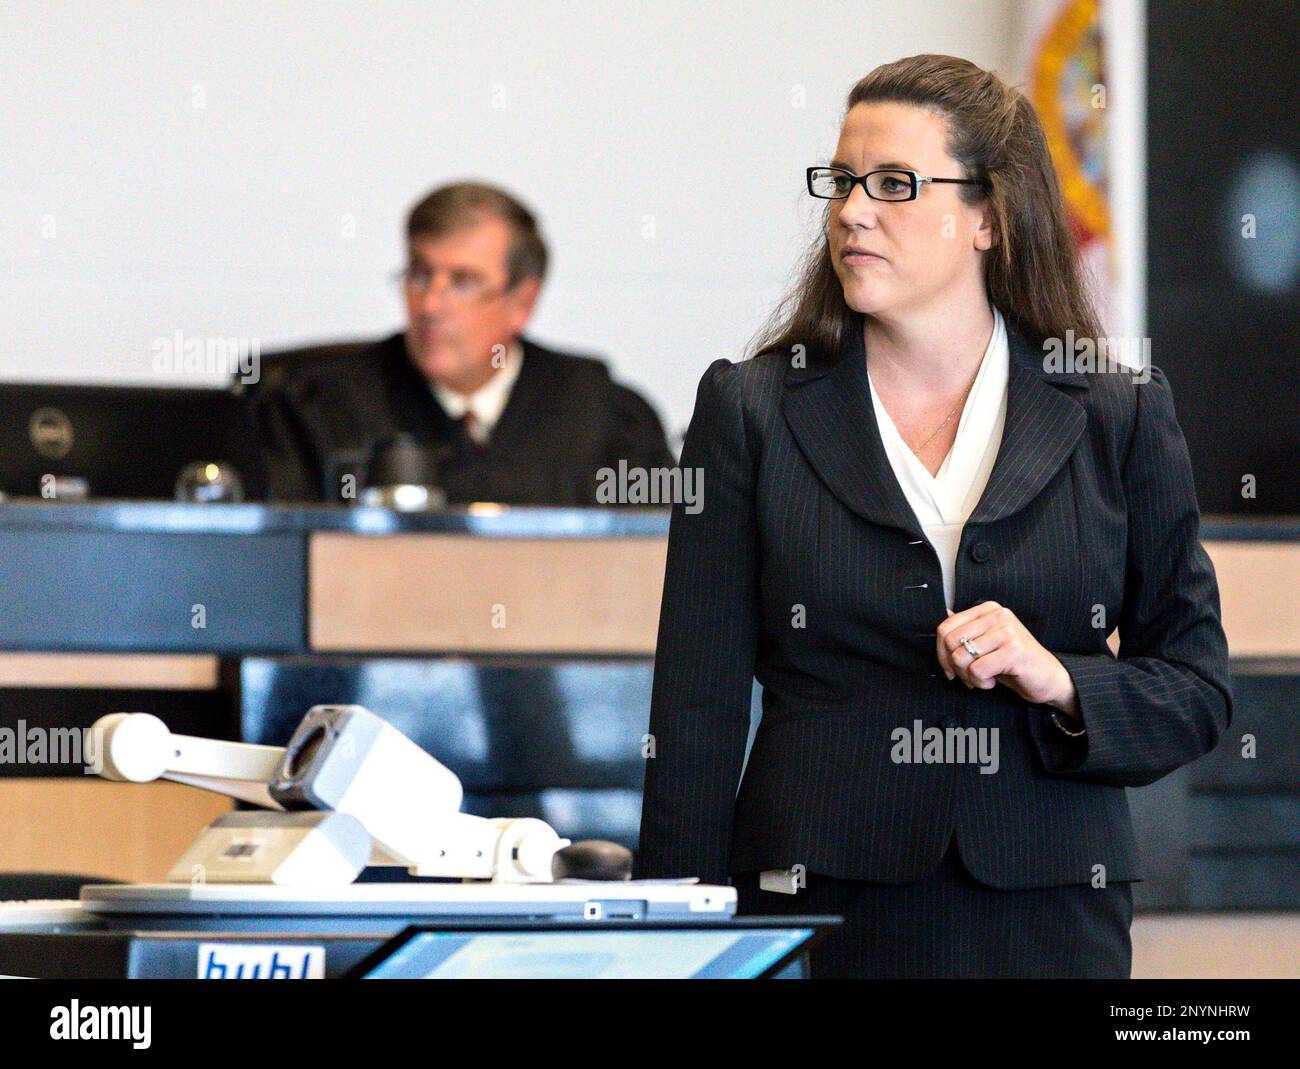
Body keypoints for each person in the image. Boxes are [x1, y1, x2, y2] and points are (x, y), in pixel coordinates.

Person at [635, 54, 1233, 978]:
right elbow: (696, 714)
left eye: (894, 185)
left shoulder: (1120, 412)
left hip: (1051, 907)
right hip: (819, 901)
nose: (851, 211)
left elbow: (1196, 691)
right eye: (841, 182)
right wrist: (669, 945)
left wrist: (1058, 677)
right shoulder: (751, 409)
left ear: (990, 215)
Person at [252, 182, 675, 504]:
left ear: (522, 302)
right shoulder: (321, 407)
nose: (431, 305)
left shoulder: (603, 416)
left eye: (463, 282)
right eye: (420, 276)